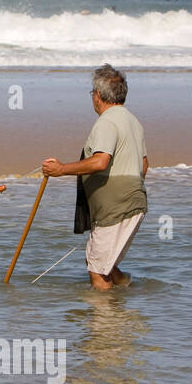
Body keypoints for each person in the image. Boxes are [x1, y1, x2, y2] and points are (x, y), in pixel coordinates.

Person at [42, 64, 149, 290]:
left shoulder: (107, 122)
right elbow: (144, 165)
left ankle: (104, 323)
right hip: (132, 203)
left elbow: (100, 161)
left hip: (117, 207)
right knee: (97, 261)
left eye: (92, 92)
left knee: (97, 272)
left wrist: (61, 169)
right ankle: (126, 291)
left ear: (98, 95)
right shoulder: (133, 121)